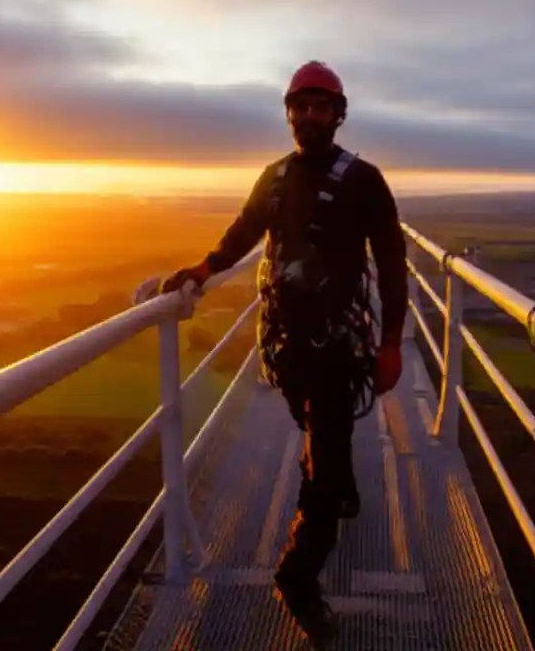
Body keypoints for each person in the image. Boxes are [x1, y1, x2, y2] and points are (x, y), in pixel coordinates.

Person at [159, 60, 408, 646]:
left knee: (326, 458)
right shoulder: (272, 179)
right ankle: (333, 482)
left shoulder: (365, 181)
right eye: (300, 106)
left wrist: (392, 341)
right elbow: (244, 230)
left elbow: (393, 263)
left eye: (321, 107)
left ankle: (296, 578)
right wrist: (204, 270)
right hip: (287, 344)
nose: (309, 116)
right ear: (289, 112)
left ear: (338, 115)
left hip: (338, 346)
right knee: (320, 434)